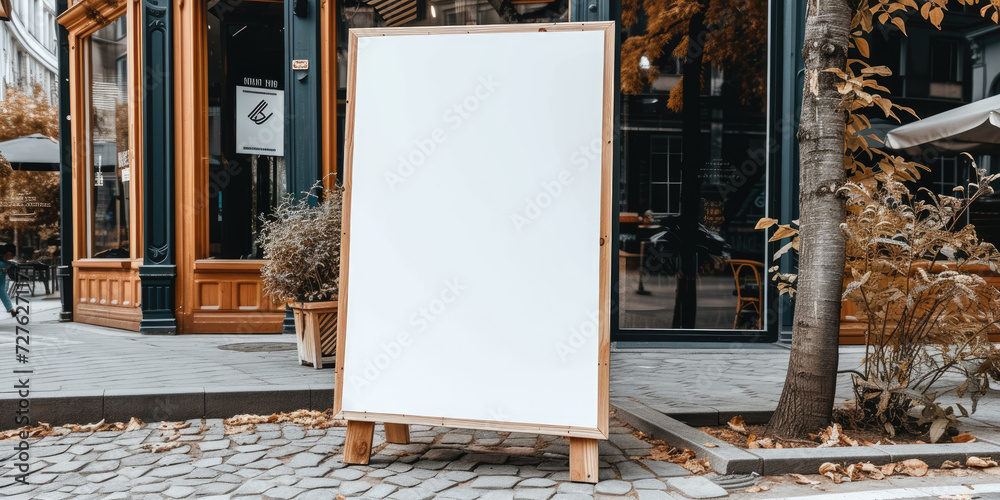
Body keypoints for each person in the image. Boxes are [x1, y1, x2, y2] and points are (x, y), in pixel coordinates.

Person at [0, 244, 17, 318]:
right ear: (8, 253)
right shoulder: (2, 262)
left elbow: (7, 264)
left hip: (1, 281)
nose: (12, 258)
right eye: (12, 255)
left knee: (3, 294)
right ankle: (10, 309)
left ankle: (10, 309)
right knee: (3, 293)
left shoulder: (4, 261)